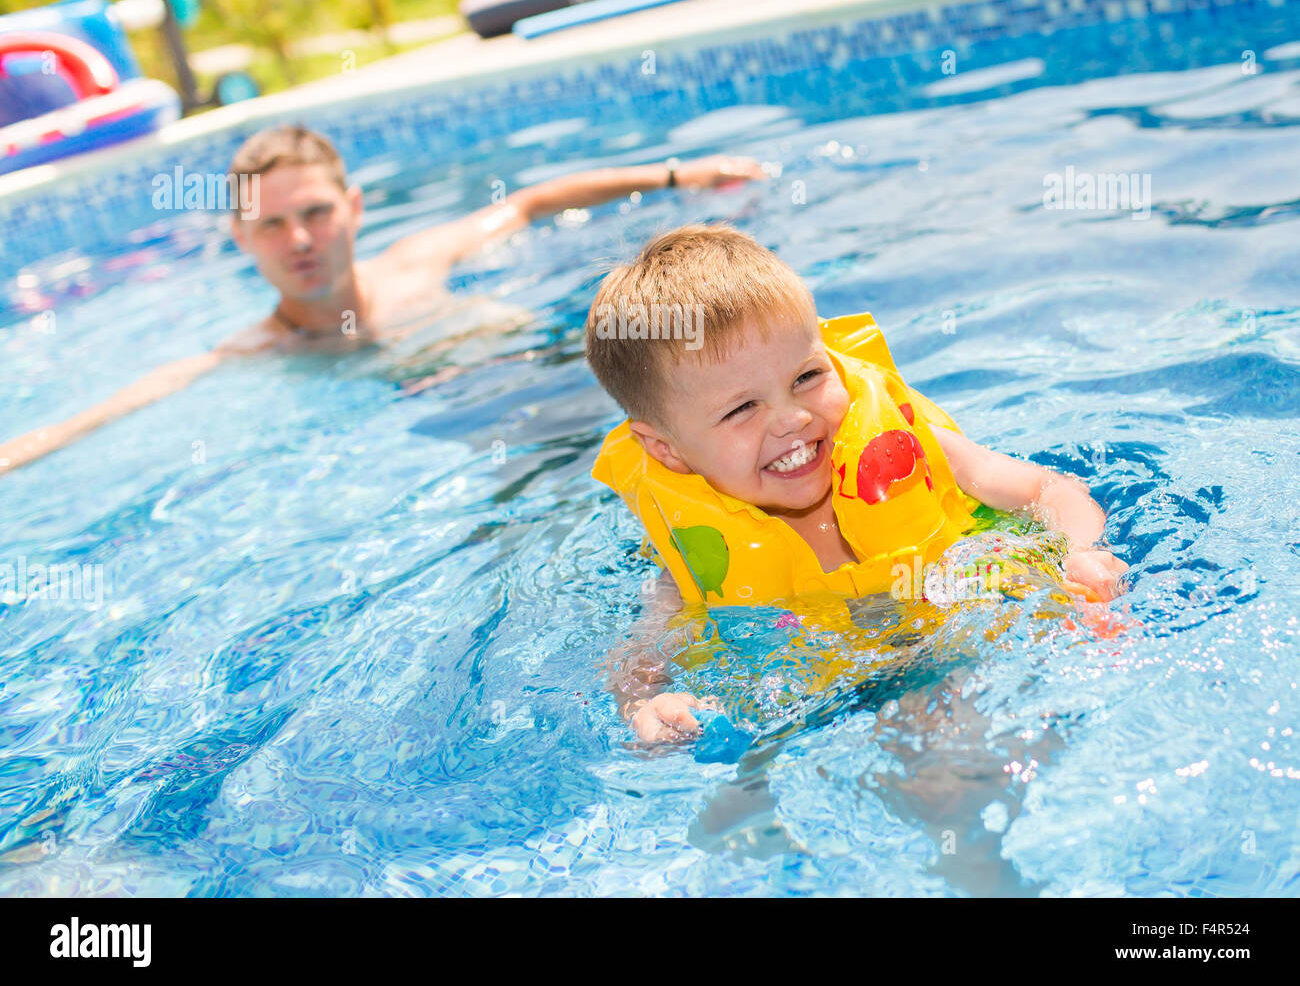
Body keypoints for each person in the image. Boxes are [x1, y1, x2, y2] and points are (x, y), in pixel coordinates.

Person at [584, 223, 1129, 745]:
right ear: (666, 449)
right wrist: (645, 708)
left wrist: (1081, 553)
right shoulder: (693, 558)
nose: (791, 419)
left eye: (806, 377)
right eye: (743, 408)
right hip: (818, 692)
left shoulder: (910, 451)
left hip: (969, 634)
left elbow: (1052, 492)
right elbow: (639, 659)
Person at [0, 126, 763, 475]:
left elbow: (532, 201)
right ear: (242, 239)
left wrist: (680, 175)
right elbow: (113, 409)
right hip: (506, 443)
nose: (299, 239)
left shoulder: (417, 262)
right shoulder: (262, 350)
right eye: (273, 225)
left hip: (575, 378)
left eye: (316, 213)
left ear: (354, 208)